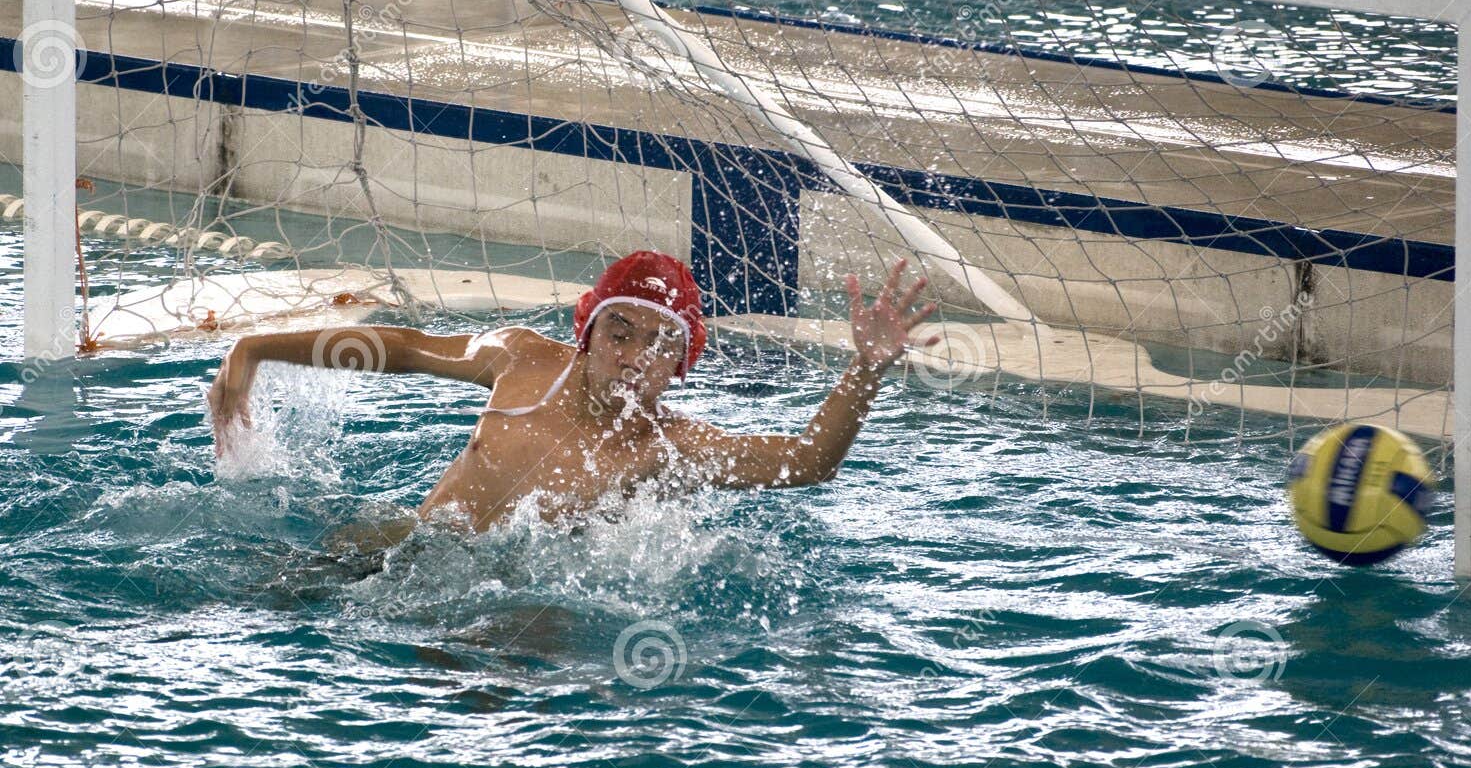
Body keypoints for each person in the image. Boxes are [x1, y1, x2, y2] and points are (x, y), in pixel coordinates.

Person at [207, 250, 939, 532]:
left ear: (681, 366)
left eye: (660, 345)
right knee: (268, 600)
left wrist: (867, 366)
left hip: (511, 605)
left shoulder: (669, 449)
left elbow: (809, 460)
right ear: (587, 333)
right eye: (621, 331)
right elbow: (402, 348)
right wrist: (253, 349)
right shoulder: (524, 361)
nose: (635, 357)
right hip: (410, 545)